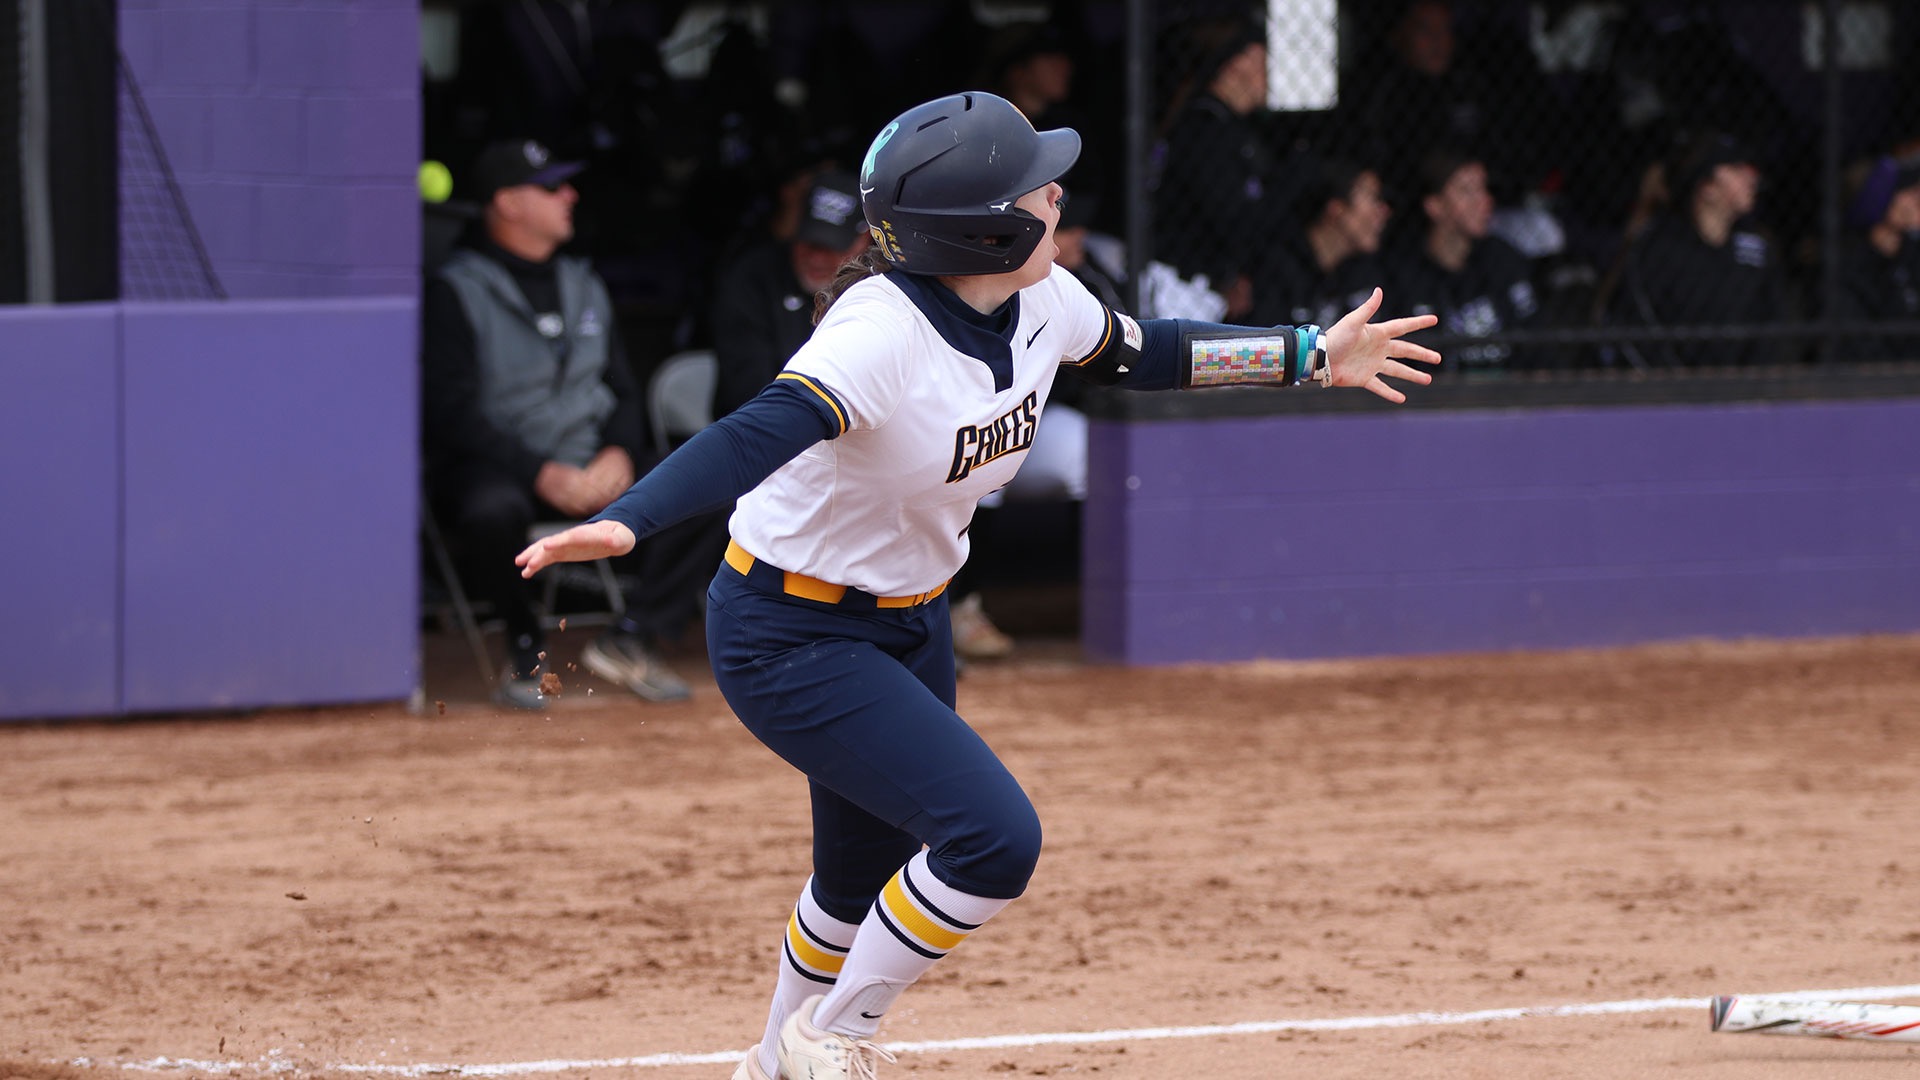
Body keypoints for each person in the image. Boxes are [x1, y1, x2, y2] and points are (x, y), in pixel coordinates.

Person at [514, 93, 1439, 1080]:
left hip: (912, 623)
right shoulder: (878, 332)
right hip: (788, 632)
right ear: (980, 230)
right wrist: (633, 517)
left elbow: (1143, 351)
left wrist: (1305, 356)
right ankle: (837, 1035)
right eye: (1032, 190)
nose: (1056, 196)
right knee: (994, 842)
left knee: (855, 878)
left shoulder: (1039, 296)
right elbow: (758, 430)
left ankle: (771, 1067)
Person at [422, 137, 696, 708]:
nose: (570, 196)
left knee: (709, 483)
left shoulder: (582, 281)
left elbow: (623, 387)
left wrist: (618, 453)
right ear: (508, 202)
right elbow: (449, 412)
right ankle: (524, 647)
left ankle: (632, 633)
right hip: (505, 465)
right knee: (490, 508)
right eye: (551, 187)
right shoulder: (455, 288)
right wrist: (541, 473)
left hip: (594, 459)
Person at [1602, 130, 1793, 368]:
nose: (1751, 176)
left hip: (1746, 392)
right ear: (1707, 188)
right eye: (1735, 168)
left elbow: (1776, 329)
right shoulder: (1659, 249)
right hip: (1670, 395)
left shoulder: (1757, 250)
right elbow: (1636, 333)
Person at [1142, 16, 1284, 321]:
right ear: (1237, 63)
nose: (1272, 73)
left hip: (1210, 286)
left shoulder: (1228, 126)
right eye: (1262, 60)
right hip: (1181, 287)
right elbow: (1229, 216)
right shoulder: (1203, 128)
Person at [1389, 147, 1541, 375]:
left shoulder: (1502, 258)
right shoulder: (1405, 274)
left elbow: (1537, 347)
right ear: (1435, 206)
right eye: (1467, 191)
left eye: (1483, 189)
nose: (1485, 201)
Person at [1833, 153, 1920, 360]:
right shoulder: (1852, 267)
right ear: (1881, 201)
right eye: (1908, 191)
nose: (1917, 196)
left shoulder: (1912, 256)